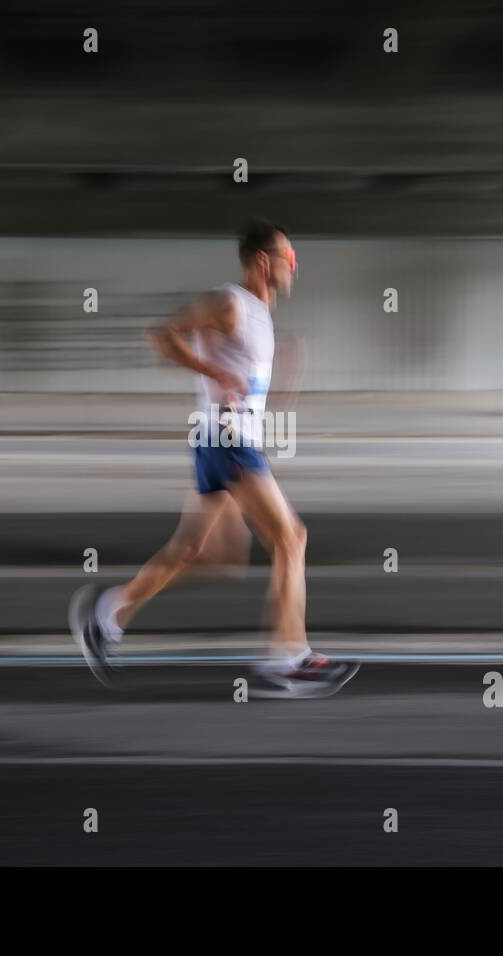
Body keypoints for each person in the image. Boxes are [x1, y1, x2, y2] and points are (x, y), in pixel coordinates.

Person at [69, 219, 359, 698]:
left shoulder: (260, 318)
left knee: (206, 555)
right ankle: (289, 658)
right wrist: (214, 372)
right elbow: (162, 335)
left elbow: (255, 392)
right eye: (289, 258)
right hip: (227, 439)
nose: (295, 267)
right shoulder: (230, 303)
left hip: (221, 438)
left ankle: (106, 615)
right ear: (263, 262)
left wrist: (285, 375)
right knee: (292, 539)